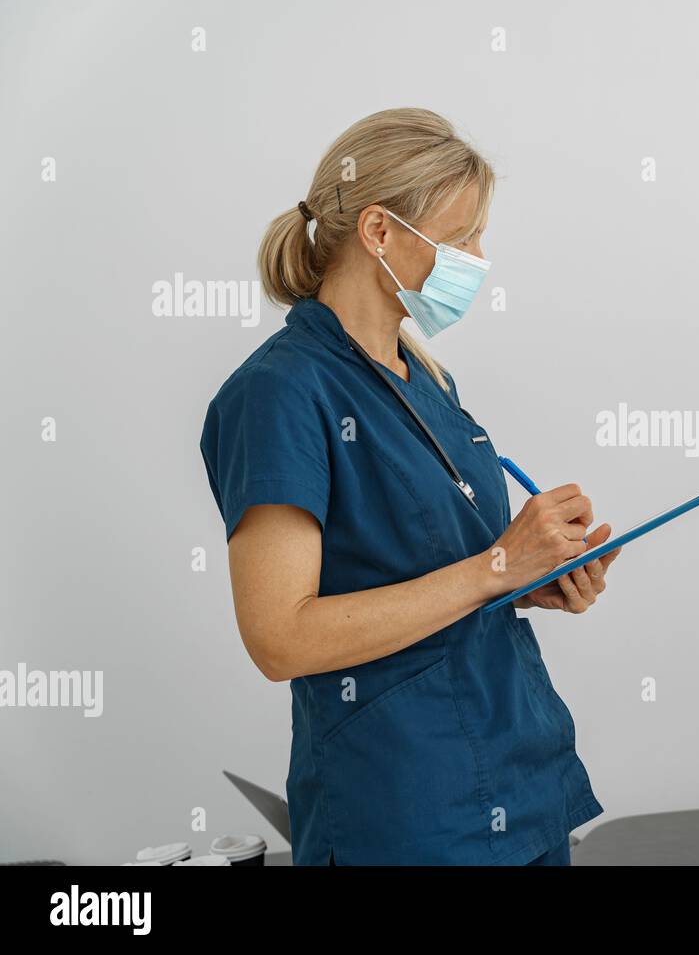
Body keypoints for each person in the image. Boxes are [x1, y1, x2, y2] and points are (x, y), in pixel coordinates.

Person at [200, 108, 619, 865]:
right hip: (405, 813)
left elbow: (429, 574)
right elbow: (279, 637)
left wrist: (528, 581)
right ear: (379, 232)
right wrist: (495, 567)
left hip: (520, 781)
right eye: (462, 238)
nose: (479, 258)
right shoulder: (280, 394)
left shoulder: (426, 376)